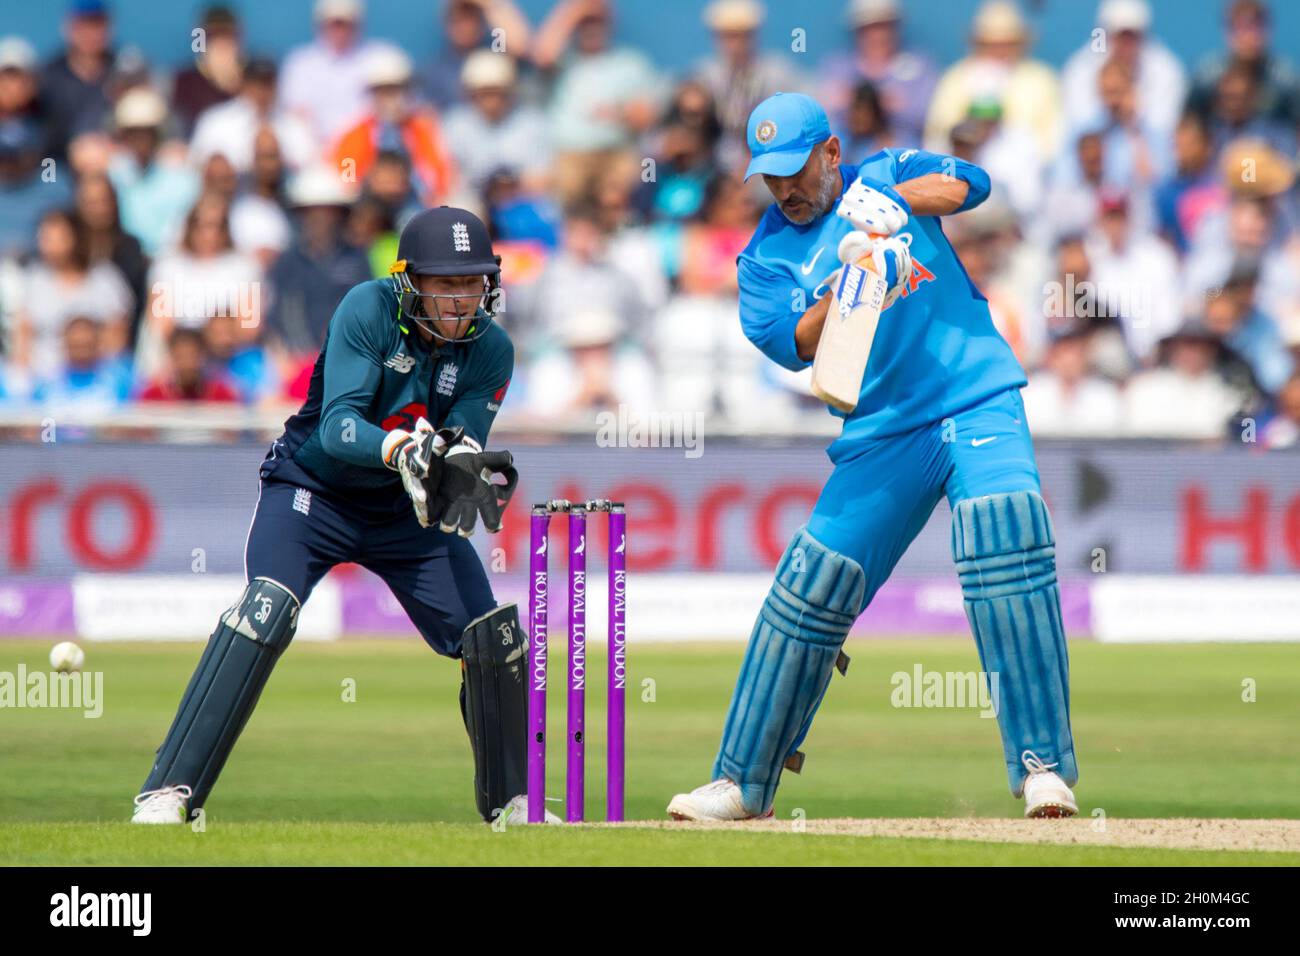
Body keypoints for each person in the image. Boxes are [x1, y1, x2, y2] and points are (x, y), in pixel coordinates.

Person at [667, 92, 1078, 823]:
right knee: (810, 586)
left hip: (974, 396)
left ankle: (1042, 766)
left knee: (1003, 530)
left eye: (797, 169)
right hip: (882, 433)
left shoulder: (886, 169)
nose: (785, 189)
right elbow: (792, 344)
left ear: (830, 152)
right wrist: (856, 269)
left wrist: (888, 207)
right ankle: (740, 782)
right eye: (771, 177)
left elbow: (971, 184)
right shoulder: (764, 258)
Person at [131, 207, 540, 827]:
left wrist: (459, 469)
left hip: (404, 514)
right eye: (445, 282)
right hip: (314, 492)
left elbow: (463, 442)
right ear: (410, 281)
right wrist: (402, 448)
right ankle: (169, 792)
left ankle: (513, 807)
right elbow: (339, 424)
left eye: (472, 282)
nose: (461, 298)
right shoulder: (367, 308)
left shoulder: (493, 351)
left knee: (494, 637)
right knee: (264, 609)